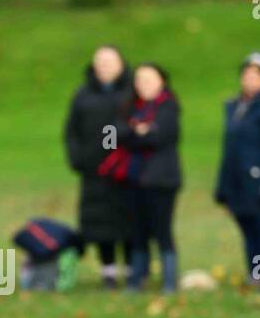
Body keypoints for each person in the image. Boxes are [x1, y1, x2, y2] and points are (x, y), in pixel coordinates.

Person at [100, 63, 181, 292]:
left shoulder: (169, 107)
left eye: (149, 79)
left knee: (162, 231)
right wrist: (138, 130)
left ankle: (168, 281)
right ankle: (136, 280)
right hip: (132, 180)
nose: (143, 84)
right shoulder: (128, 107)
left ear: (161, 81)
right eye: (139, 80)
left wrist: (134, 132)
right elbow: (113, 135)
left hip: (161, 181)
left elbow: (158, 138)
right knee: (137, 232)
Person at [215, 52, 260, 285]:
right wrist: (223, 187)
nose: (250, 79)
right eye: (246, 74)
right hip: (240, 184)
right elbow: (229, 149)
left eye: (256, 75)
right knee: (249, 232)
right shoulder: (237, 107)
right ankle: (257, 274)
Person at [64, 45, 133, 287]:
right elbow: (71, 131)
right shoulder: (83, 95)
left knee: (128, 219)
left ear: (121, 65)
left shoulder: (132, 93)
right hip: (93, 172)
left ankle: (133, 271)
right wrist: (77, 159)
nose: (104, 67)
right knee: (100, 222)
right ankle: (108, 272)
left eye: (110, 62)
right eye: (100, 63)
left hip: (126, 173)